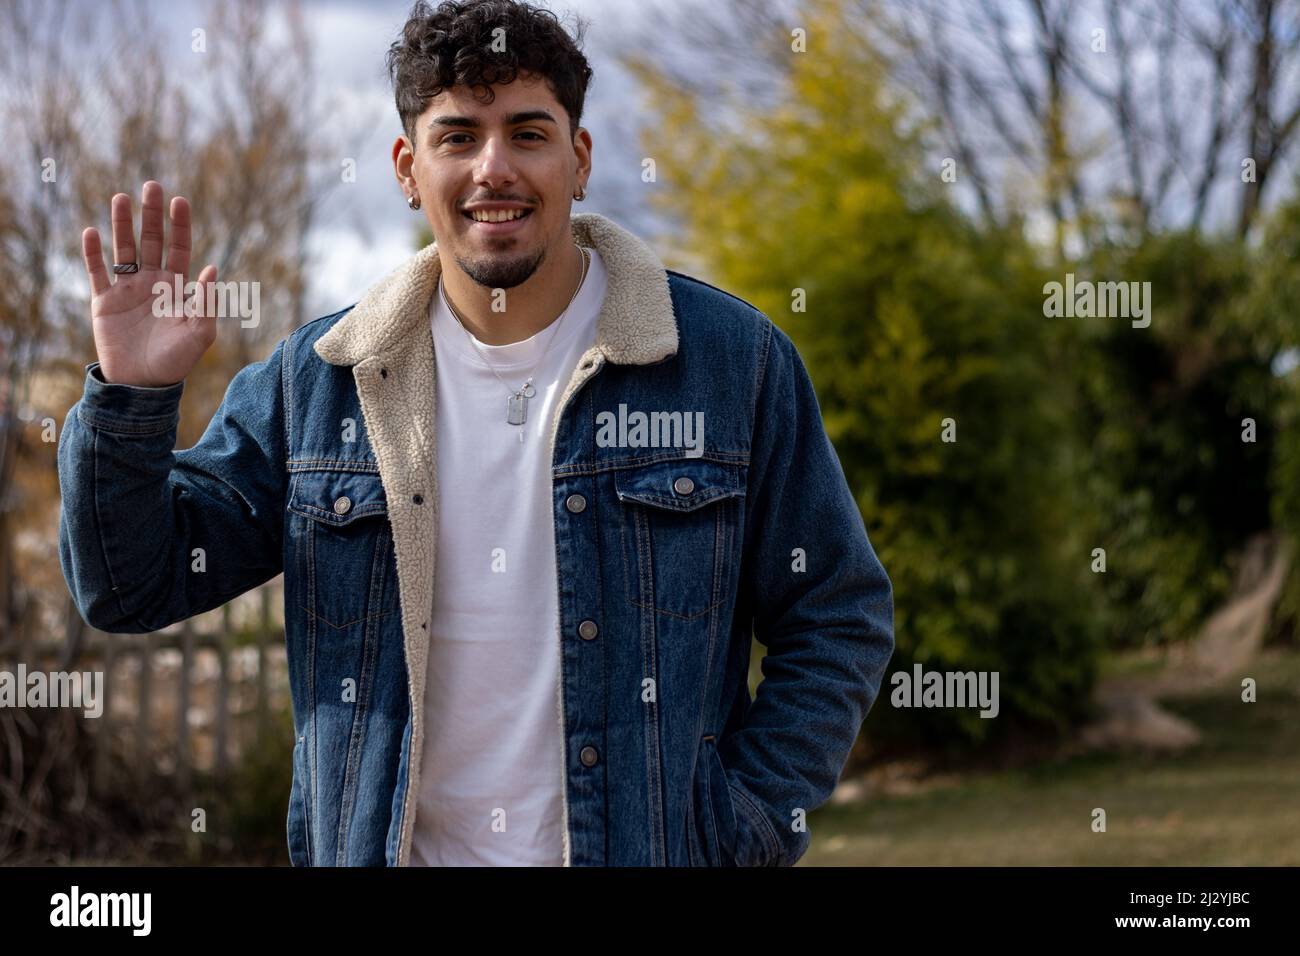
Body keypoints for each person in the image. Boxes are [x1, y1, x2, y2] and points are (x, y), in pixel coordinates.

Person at [57, 0, 894, 867]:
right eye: (458, 137)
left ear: (579, 158)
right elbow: (131, 587)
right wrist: (131, 396)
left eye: (528, 132)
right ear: (407, 169)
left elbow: (836, 611)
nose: (494, 168)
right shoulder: (318, 382)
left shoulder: (731, 362)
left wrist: (743, 827)